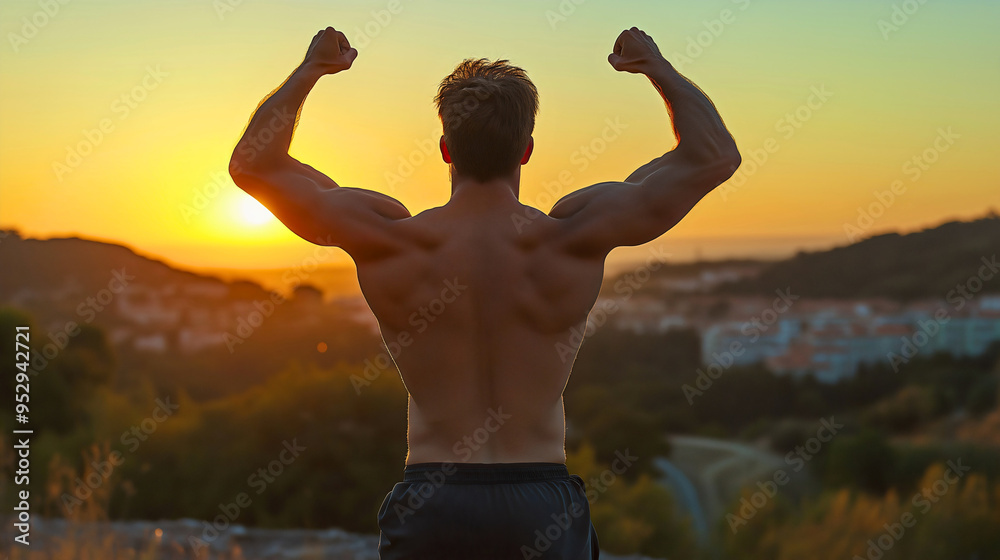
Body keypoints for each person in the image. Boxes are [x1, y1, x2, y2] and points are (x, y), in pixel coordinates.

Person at [229, 25, 740, 560]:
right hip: (541, 505)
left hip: (434, 501)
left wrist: (312, 69)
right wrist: (654, 66)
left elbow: (253, 165)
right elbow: (712, 157)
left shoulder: (389, 239)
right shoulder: (572, 235)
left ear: (445, 149)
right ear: (527, 150)